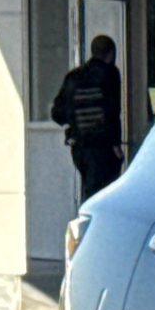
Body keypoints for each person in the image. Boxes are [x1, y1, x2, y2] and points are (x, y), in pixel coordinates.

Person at [51, 35, 124, 201]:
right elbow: (113, 111)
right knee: (105, 197)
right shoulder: (110, 74)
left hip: (80, 149)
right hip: (103, 149)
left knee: (91, 193)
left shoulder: (74, 77)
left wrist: (73, 123)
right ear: (111, 53)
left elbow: (57, 113)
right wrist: (116, 145)